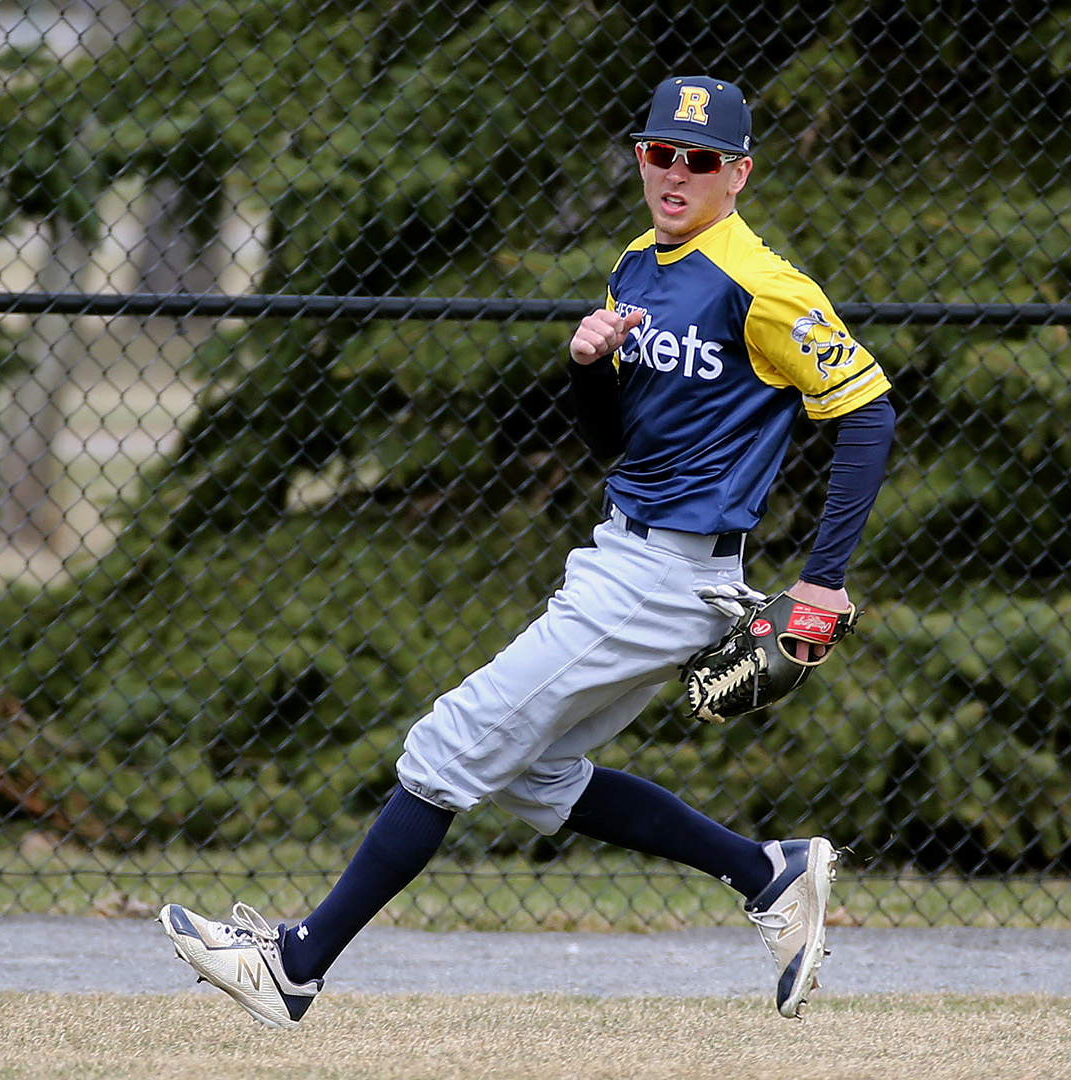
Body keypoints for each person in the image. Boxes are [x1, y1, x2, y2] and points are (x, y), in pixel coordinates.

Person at [158, 74, 897, 1028]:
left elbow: (867, 411)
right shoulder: (637, 262)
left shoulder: (762, 284)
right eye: (659, 153)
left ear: (738, 174)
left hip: (668, 574)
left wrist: (823, 581)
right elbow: (615, 444)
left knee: (450, 743)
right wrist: (589, 367)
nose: (675, 173)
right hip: (623, 551)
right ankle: (767, 872)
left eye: (699, 160)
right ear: (641, 159)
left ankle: (296, 965)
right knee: (529, 774)